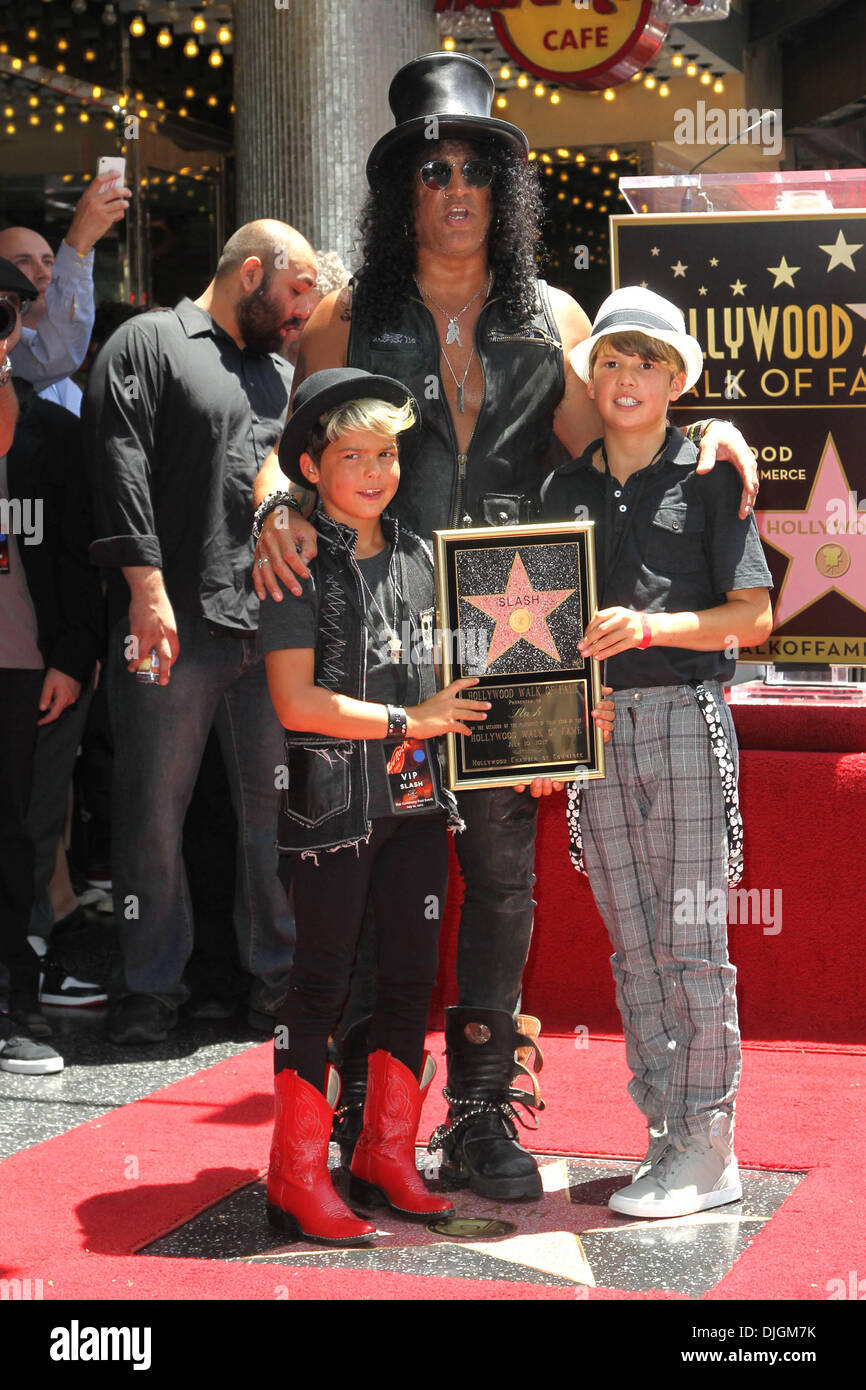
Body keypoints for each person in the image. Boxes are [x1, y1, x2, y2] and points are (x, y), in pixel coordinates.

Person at [250, 52, 760, 1200]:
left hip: (511, 633)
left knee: (498, 869)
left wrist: (713, 434)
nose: (457, 186)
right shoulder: (345, 315)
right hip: (372, 634)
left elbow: (622, 441)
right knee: (372, 862)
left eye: (477, 166)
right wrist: (272, 511)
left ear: (503, 189)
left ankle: (481, 1111)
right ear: (403, 189)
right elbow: (286, 452)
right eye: (433, 168)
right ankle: (354, 1111)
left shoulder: (555, 317)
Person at [541, 287, 773, 1219]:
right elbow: (543, 631)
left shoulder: (716, 475)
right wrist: (561, 708)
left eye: (645, 362)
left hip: (686, 714)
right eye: (609, 360)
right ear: (590, 377)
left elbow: (756, 619)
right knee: (633, 948)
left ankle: (712, 1147)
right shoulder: (564, 489)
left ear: (677, 378)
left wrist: (650, 628)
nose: (624, 377)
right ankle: (666, 1134)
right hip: (598, 736)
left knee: (693, 942)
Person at [259, 367, 481, 1244]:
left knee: (410, 983)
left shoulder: (426, 556)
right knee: (317, 987)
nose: (374, 470)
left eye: (385, 452)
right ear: (311, 468)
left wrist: (559, 718)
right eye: (352, 454)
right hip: (331, 811)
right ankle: (294, 1177)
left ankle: (384, 1157)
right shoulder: (294, 558)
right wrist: (407, 719)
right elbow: (294, 703)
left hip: (422, 806)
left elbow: (466, 680)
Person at [83, 220, 317, 1045]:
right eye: (294, 292)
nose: (300, 313)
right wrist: (145, 590)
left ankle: (277, 984)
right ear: (250, 271)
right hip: (169, 622)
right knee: (150, 811)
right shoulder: (146, 340)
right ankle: (147, 989)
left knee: (273, 818)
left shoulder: (287, 376)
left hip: (270, 632)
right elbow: (117, 460)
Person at [0, 259, 104, 1075]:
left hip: (30, 670)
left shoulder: (56, 434)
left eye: (3, 317)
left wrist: (73, 659)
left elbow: (79, 558)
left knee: (22, 839)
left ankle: (17, 1006)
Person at [0, 171, 131, 396]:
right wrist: (79, 242)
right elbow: (53, 356)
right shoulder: (11, 356)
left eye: (49, 262)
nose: (44, 274)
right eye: (23, 262)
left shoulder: (68, 388)